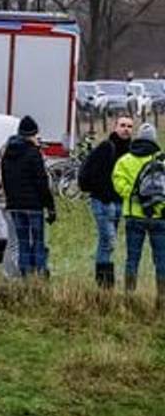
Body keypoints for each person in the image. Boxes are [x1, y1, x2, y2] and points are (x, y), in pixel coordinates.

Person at [112, 123, 165, 304]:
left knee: (132, 258)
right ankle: (162, 299)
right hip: (159, 217)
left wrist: (135, 195)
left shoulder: (125, 160)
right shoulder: (162, 160)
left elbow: (118, 183)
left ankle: (129, 297)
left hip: (134, 216)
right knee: (161, 260)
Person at [79, 115, 134, 288]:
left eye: (130, 126)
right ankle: (104, 283)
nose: (126, 129)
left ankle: (105, 284)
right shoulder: (105, 147)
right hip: (103, 201)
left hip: (119, 202)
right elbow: (86, 172)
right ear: (114, 127)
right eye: (123, 125)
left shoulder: (131, 151)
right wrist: (100, 191)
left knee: (109, 241)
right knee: (108, 240)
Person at [0, 116, 57, 277]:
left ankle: (24, 274)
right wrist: (50, 207)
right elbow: (41, 182)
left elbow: (4, 178)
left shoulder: (7, 153)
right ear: (32, 134)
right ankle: (39, 273)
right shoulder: (33, 153)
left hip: (15, 206)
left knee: (22, 241)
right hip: (33, 206)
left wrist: (10, 199)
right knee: (38, 241)